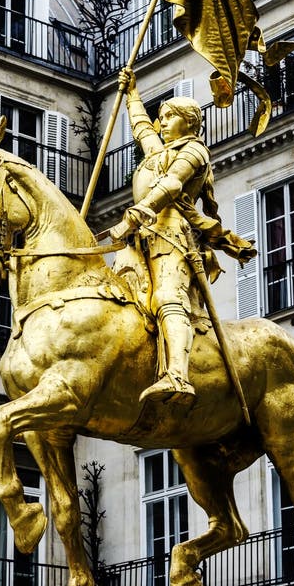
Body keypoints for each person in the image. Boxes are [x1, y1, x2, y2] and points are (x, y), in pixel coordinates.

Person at [110, 67, 256, 404]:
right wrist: (131, 92)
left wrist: (138, 211)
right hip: (141, 235)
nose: (161, 124)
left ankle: (177, 375)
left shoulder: (194, 151)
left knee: (166, 297)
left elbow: (173, 183)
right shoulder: (159, 150)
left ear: (188, 122)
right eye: (161, 117)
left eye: (168, 117)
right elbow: (141, 127)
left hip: (172, 234)